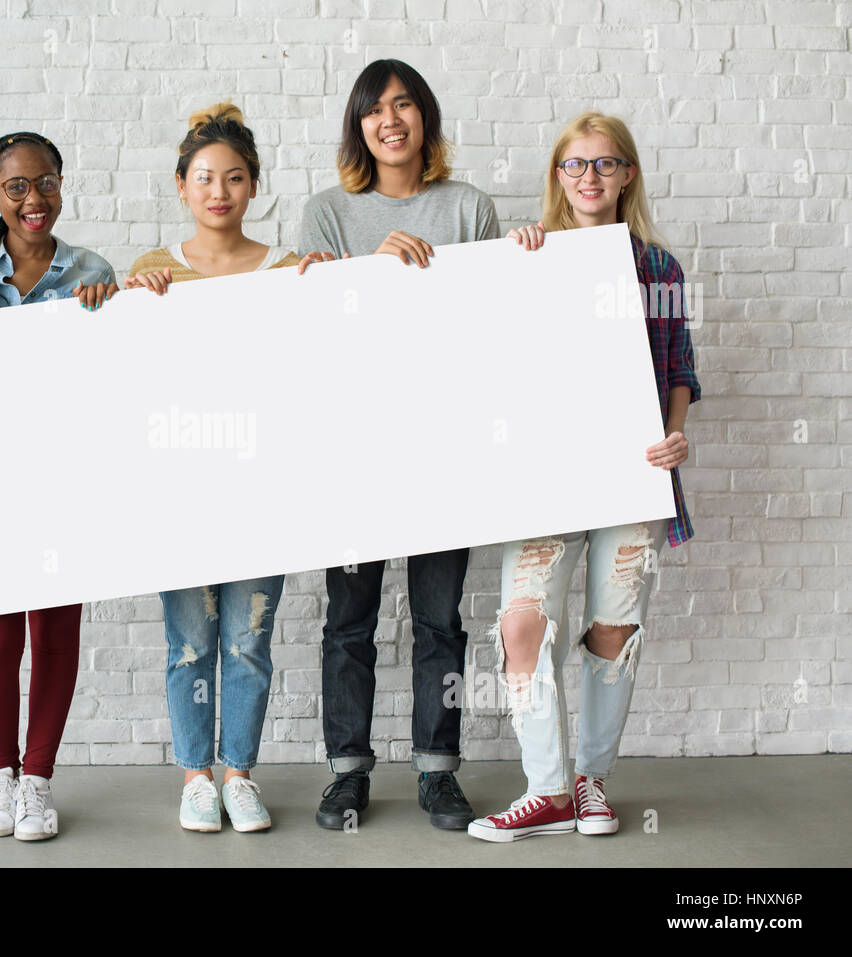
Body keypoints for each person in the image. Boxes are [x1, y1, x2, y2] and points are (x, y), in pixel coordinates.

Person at [467, 112, 701, 842]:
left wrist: (676, 436)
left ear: (627, 173)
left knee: (612, 628)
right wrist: (516, 267)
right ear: (557, 176)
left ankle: (591, 782)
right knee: (523, 624)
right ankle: (546, 791)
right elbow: (488, 362)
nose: (590, 177)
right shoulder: (528, 257)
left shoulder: (658, 267)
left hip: (630, 474)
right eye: (575, 165)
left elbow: (679, 369)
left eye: (605, 163)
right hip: (546, 474)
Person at [296, 58, 500, 832]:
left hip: (443, 446)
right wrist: (365, 276)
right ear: (358, 126)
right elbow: (312, 335)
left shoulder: (469, 207)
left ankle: (438, 771)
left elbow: (487, 324)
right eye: (375, 109)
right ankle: (347, 773)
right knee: (350, 621)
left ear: (426, 119)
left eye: (405, 105)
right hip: (354, 450)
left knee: (440, 620)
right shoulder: (327, 212)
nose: (391, 120)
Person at [0, 131, 116, 841]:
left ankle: (38, 778)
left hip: (65, 476)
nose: (33, 199)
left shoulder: (90, 268)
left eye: (46, 183)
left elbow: (117, 378)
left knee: (56, 629)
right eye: (16, 186)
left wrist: (111, 309)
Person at [124, 101, 301, 833]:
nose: (219, 191)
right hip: (181, 491)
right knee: (190, 643)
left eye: (234, 177)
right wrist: (134, 309)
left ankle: (239, 775)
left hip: (263, 488)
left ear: (254, 185)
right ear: (181, 185)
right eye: (205, 178)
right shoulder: (151, 271)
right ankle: (196, 774)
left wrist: (326, 291)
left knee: (248, 641)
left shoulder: (290, 268)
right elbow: (127, 382)